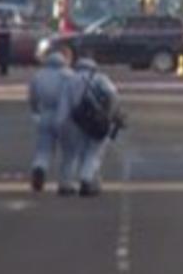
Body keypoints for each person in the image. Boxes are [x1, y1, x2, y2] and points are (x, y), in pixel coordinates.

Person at [57, 54, 125, 197]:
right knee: (93, 153)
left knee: (79, 152)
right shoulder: (100, 78)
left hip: (78, 120)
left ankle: (70, 182)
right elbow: (113, 95)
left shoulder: (69, 80)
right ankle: (86, 180)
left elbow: (64, 106)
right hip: (98, 120)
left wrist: (61, 123)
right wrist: (110, 114)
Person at [27, 41, 75, 193]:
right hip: (65, 116)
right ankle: (65, 183)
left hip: (45, 114)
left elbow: (32, 98)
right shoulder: (69, 75)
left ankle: (39, 167)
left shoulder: (38, 76)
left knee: (43, 148)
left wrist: (36, 113)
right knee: (68, 151)